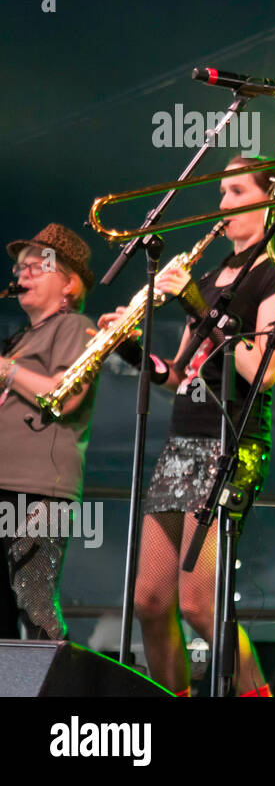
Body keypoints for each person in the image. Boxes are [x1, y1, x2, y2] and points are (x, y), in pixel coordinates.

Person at [100, 157, 275, 697]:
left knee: (200, 601)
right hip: (181, 442)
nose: (222, 204)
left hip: (230, 443)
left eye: (233, 193)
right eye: (222, 193)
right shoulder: (208, 277)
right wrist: (132, 349)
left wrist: (197, 303)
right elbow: (177, 373)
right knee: (150, 601)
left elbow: (262, 370)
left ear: (265, 200)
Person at [0, 224, 98, 640]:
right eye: (20, 269)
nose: (22, 275)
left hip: (42, 490)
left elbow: (64, 395)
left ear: (70, 284)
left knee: (33, 602)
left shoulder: (75, 327)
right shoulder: (20, 338)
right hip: (8, 482)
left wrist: (7, 370)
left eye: (37, 267)